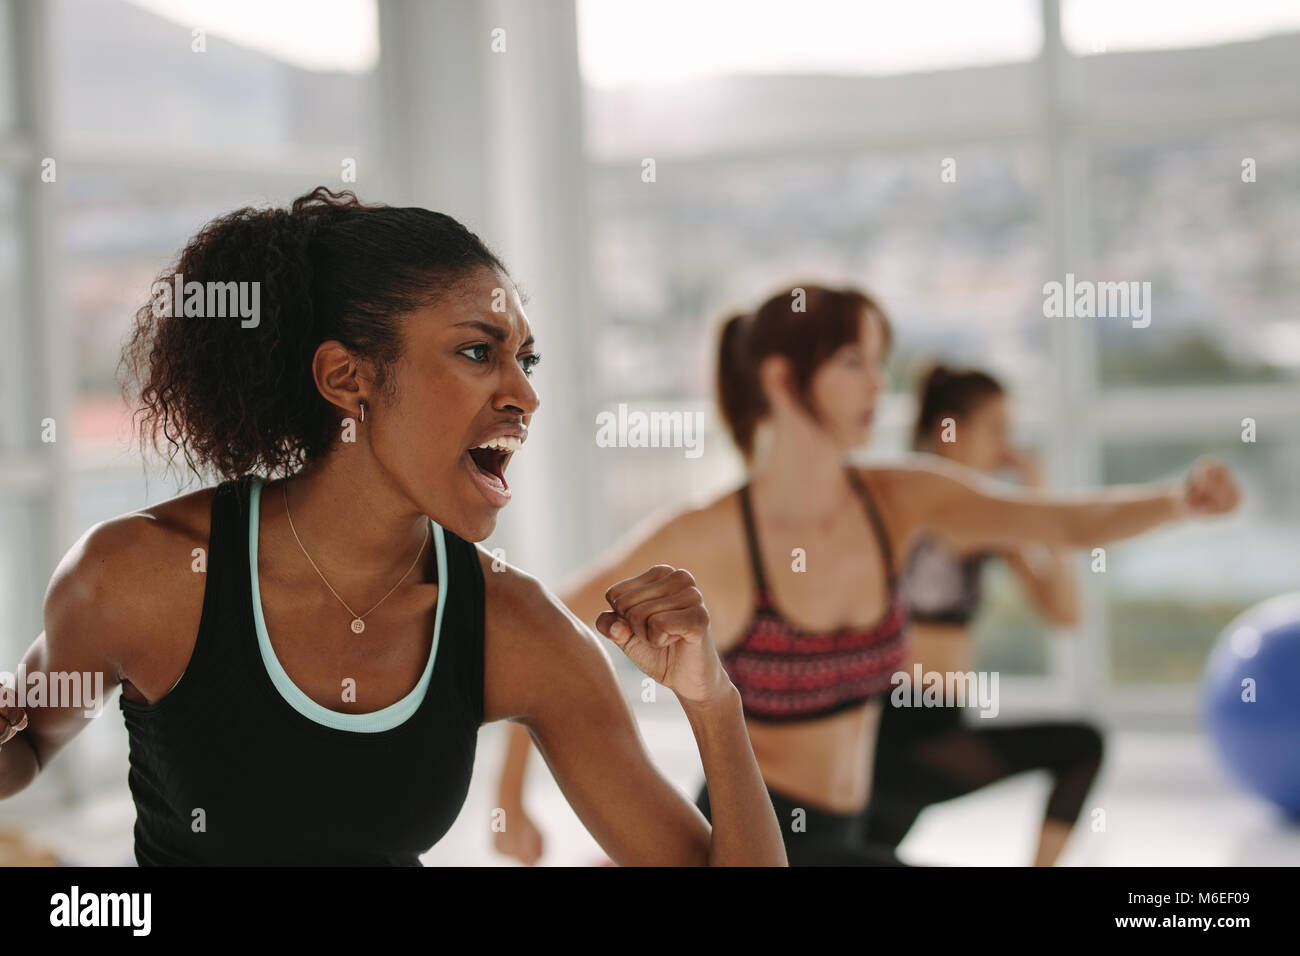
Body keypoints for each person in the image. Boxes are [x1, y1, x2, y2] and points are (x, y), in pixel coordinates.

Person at [0, 187, 787, 866]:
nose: (524, 396)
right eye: (479, 352)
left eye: (527, 360)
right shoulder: (140, 573)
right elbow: (27, 747)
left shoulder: (515, 628)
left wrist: (714, 700)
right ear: (347, 379)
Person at [493, 282, 1241, 866]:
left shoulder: (899, 499)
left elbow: (1059, 522)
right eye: (855, 363)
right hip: (757, 847)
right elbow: (547, 626)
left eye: (880, 363)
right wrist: (511, 798)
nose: (879, 386)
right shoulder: (716, 535)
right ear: (785, 379)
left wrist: (1178, 500)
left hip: (854, 833)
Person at [861, 363, 1098, 866]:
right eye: (996, 429)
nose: (1006, 447)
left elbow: (1067, 612)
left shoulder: (988, 519)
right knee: (1081, 746)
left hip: (941, 730)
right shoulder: (901, 503)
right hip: (891, 732)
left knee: (863, 850)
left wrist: (1037, 499)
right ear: (950, 430)